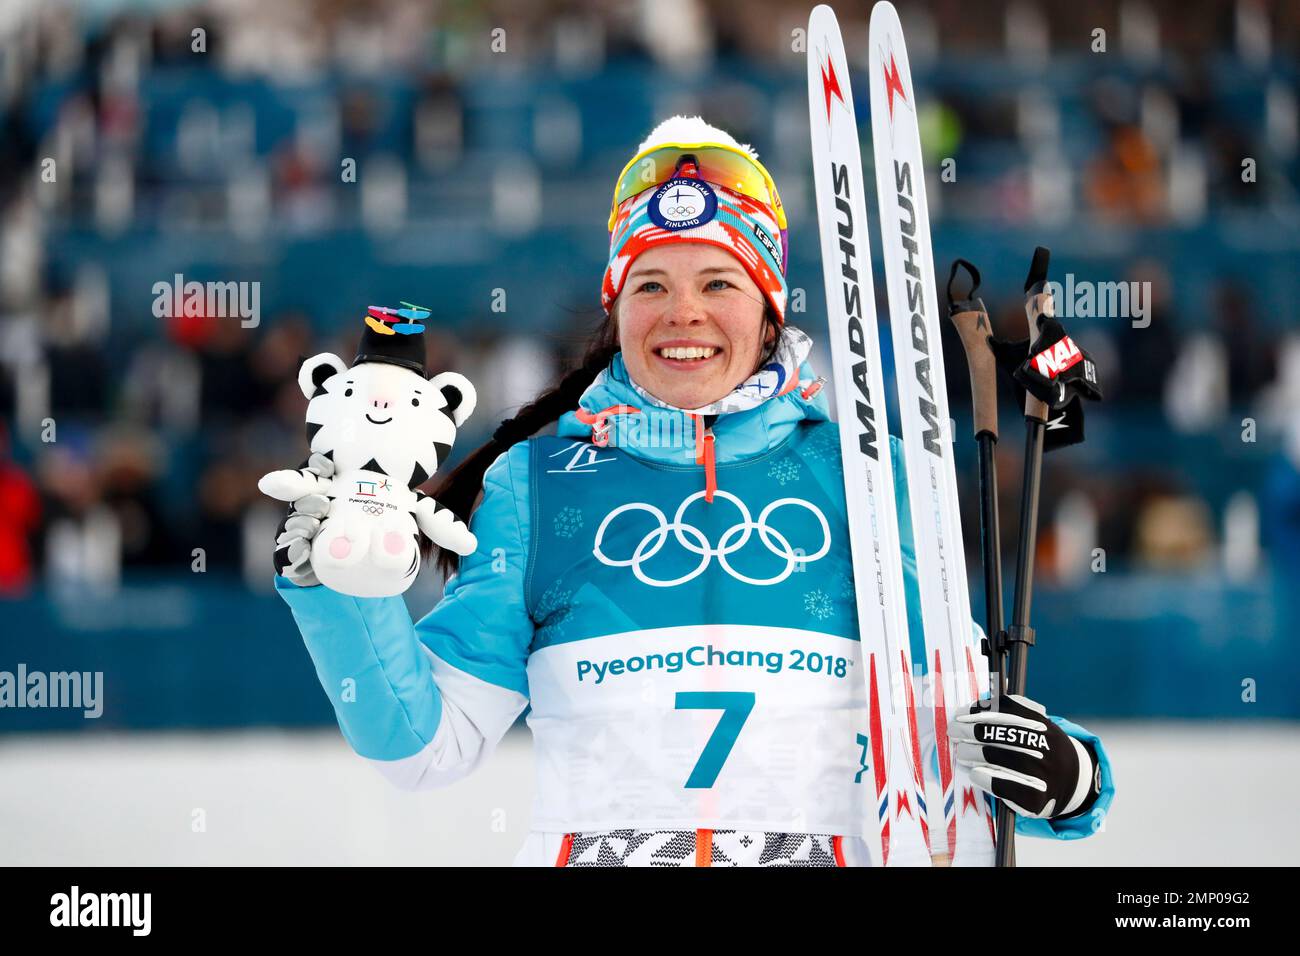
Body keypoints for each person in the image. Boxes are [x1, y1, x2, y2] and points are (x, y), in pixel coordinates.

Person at [273, 117, 1114, 867]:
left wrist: (1068, 776)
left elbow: (958, 727)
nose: (684, 314)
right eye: (651, 286)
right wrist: (337, 588)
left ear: (768, 310)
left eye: (718, 284)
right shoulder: (534, 481)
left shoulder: (865, 471)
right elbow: (425, 748)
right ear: (616, 309)